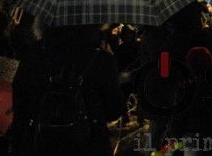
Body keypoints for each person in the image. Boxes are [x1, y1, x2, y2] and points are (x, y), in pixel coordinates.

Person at [11, 23, 126, 156]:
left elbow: (20, 109)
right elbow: (115, 110)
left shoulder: (32, 57)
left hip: (40, 144)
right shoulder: (101, 59)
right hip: (89, 145)